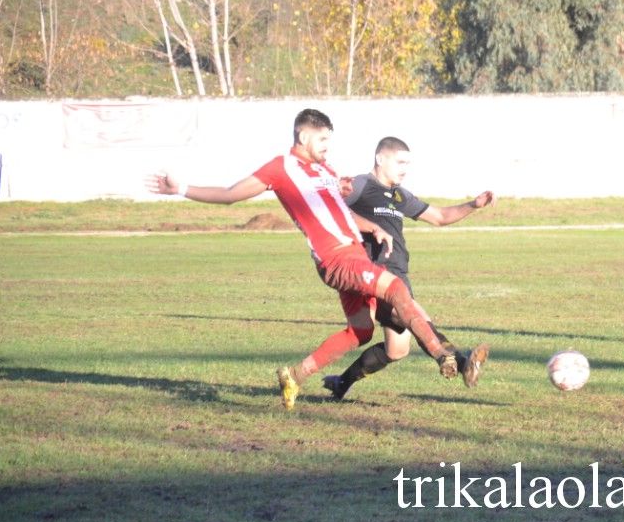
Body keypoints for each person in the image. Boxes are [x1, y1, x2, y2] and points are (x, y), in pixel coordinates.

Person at [145, 108, 488, 409]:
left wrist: (372, 228)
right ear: (303, 134)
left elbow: (341, 214)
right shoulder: (281, 167)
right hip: (337, 260)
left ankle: (294, 376)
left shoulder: (326, 171)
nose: (327, 145)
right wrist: (182, 189)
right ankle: (446, 356)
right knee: (396, 289)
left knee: (361, 331)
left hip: (352, 256)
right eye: (323, 138)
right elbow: (230, 195)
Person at [323, 136, 494, 399]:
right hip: (375, 273)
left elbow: (438, 217)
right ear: (381, 159)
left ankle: (340, 384)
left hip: (399, 274)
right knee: (417, 317)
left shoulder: (398, 194)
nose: (404, 168)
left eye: (407, 163)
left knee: (396, 350)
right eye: (400, 162)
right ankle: (461, 363)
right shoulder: (360, 185)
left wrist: (473, 205)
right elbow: (330, 208)